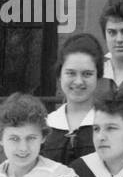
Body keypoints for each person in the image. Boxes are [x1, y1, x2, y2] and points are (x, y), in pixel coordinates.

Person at [44, 34, 102, 164]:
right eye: (71, 73)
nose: (78, 81)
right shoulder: (46, 125)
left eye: (87, 74)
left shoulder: (110, 124)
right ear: (59, 75)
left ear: (98, 76)